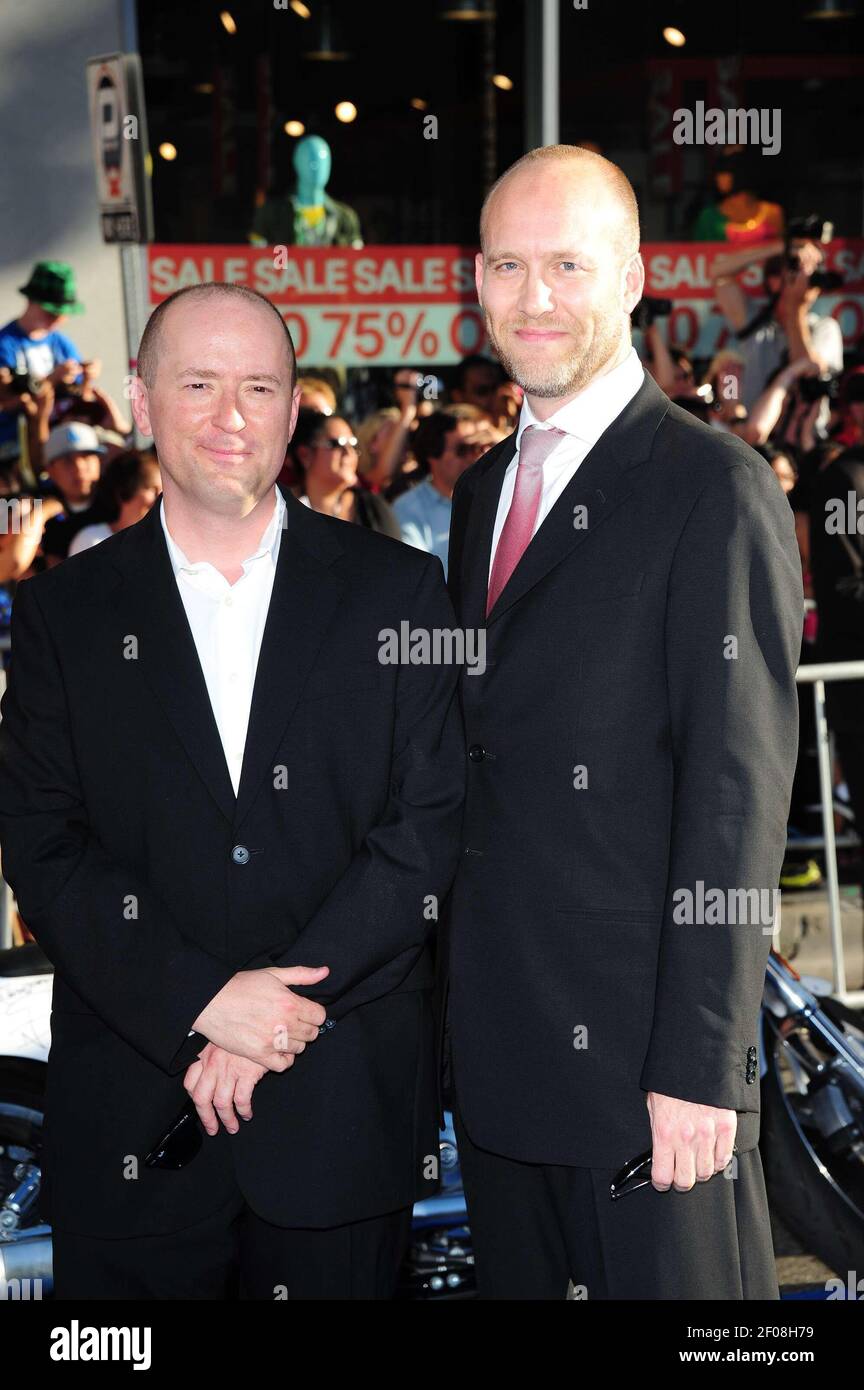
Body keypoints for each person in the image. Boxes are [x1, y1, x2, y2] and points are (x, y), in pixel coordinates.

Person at [0, 281, 465, 1300]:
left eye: (259, 386)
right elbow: (44, 844)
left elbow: (426, 832)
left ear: (294, 408)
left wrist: (277, 1011)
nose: (230, 416)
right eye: (198, 383)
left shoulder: (399, 592)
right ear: (140, 398)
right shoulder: (65, 616)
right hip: (132, 1131)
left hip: (340, 1125)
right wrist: (204, 1000)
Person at [440, 144, 803, 1300]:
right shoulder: (480, 495)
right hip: (504, 1065)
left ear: (635, 277)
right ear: (477, 282)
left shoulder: (712, 486)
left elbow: (739, 791)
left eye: (567, 263)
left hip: (652, 1079)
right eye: (507, 264)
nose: (533, 296)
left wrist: (703, 1064)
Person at [0, 261, 87, 466]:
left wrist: (86, 378)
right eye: (50, 312)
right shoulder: (5, 344)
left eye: (62, 313)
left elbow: (80, 388)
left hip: (61, 434)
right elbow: (8, 399)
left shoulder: (60, 342)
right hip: (17, 440)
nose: (57, 319)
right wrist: (52, 379)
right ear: (31, 301)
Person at [392, 407, 486, 576]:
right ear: (433, 453)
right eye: (463, 449)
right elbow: (417, 576)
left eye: (478, 447)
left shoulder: (495, 498)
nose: (474, 457)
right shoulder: (408, 508)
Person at [292, 407, 401, 536]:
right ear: (305, 455)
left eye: (353, 445)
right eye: (337, 444)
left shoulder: (372, 509)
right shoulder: (282, 512)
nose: (349, 453)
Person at [67, 450, 162, 556]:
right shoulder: (91, 540)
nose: (160, 497)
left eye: (163, 490)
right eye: (152, 489)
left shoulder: (166, 543)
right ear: (125, 491)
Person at [38, 422, 108, 565]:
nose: (79, 467)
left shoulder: (119, 499)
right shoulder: (37, 504)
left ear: (99, 461)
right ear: (50, 470)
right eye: (67, 461)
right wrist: (39, 515)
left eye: (87, 456)